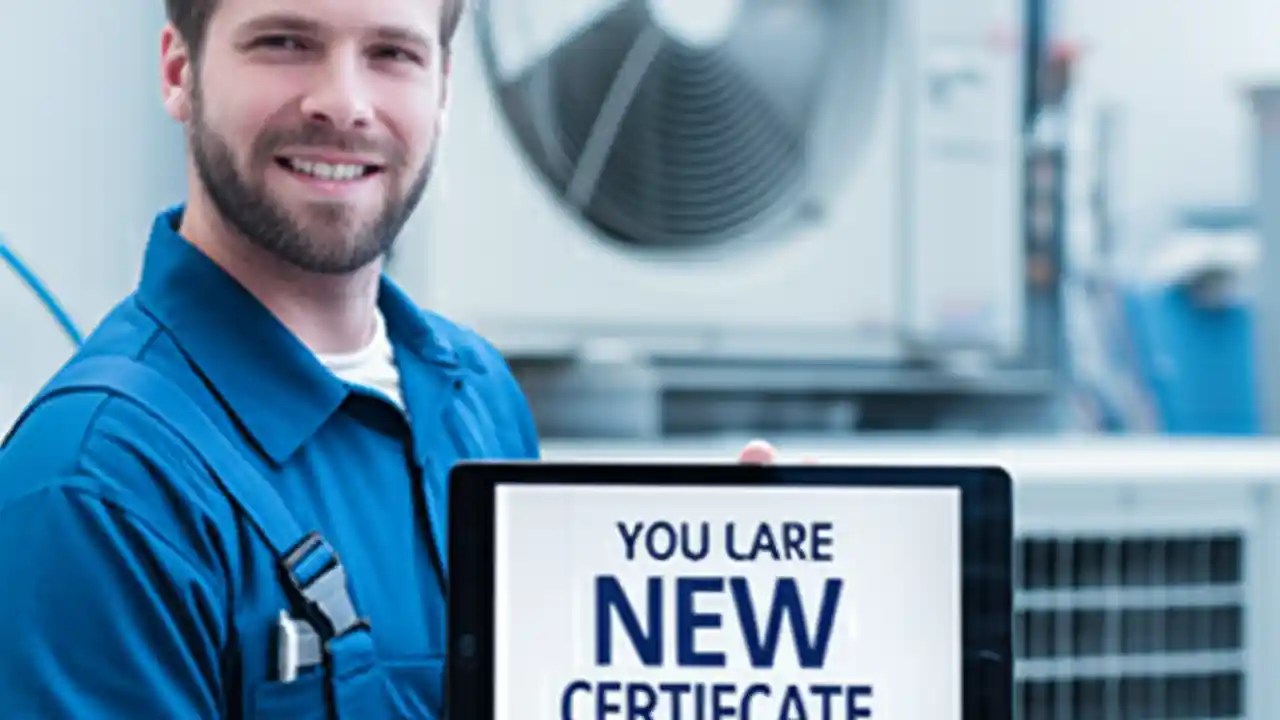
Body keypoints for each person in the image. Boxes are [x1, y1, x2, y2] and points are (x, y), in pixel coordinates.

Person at [0, 0, 774, 717]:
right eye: (285, 42)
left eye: (392, 54)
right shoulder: (97, 487)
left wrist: (717, 646)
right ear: (180, 72)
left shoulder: (478, 398)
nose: (344, 102)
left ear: (442, 90)